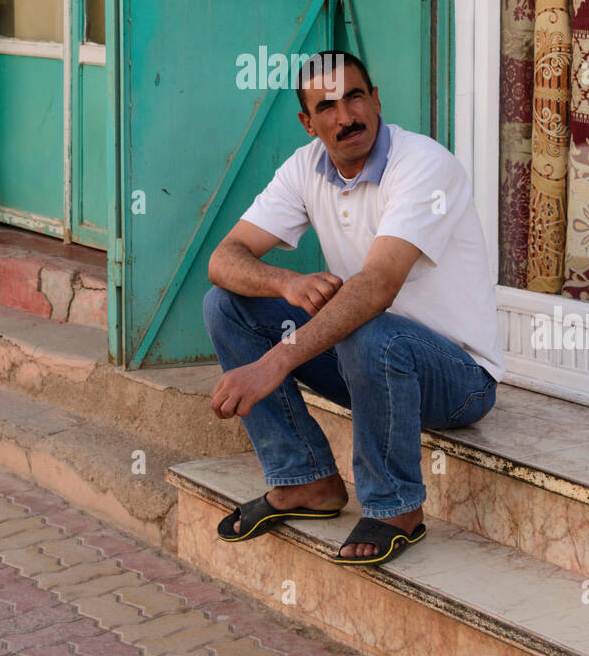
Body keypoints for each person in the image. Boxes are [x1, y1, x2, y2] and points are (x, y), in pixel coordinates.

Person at [204, 50, 502, 567]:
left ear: (376, 99)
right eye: (328, 107)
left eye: (356, 97)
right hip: (368, 365)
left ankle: (396, 509)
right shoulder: (305, 168)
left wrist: (273, 364)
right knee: (227, 304)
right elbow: (224, 259)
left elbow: (379, 286)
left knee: (369, 329)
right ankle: (306, 481)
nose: (347, 117)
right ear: (308, 122)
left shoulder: (423, 164)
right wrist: (286, 281)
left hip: (457, 379)